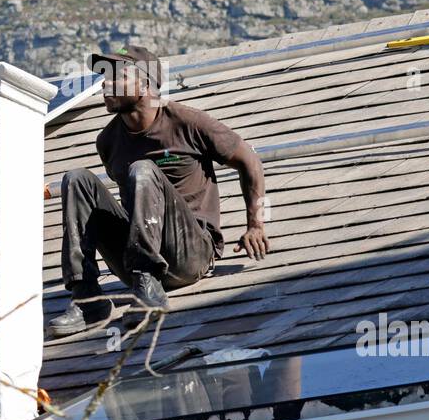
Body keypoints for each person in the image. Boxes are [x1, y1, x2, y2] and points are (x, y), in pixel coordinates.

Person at [48, 45, 270, 338]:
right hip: (135, 257)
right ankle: (87, 299)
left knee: (143, 170)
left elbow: (250, 160)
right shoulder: (108, 140)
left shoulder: (187, 122)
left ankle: (148, 284)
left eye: (116, 76)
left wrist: (256, 223)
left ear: (145, 83)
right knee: (76, 179)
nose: (105, 84)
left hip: (191, 255)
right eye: (104, 77)